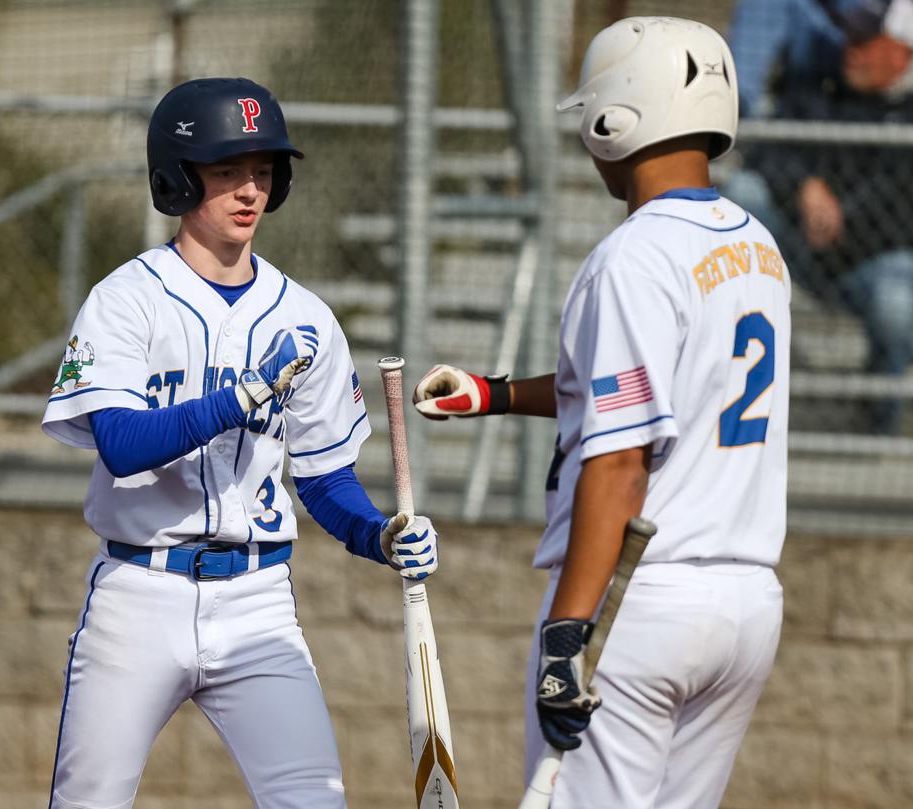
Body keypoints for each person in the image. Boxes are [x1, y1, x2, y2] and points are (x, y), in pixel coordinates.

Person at [413, 18, 790, 808]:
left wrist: (567, 632)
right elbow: (655, 390)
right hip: (745, 607)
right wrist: (498, 393)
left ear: (613, 122)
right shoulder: (758, 245)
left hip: (641, 602)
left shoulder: (634, 255)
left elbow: (620, 460)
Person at [40, 77, 438, 809]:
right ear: (177, 177)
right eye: (227, 170)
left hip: (258, 600)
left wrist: (379, 533)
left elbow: (323, 481)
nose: (249, 189)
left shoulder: (306, 317)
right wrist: (239, 397)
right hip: (139, 592)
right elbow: (121, 444)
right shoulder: (126, 298)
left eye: (262, 171)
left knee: (314, 801)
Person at [745, 0, 913, 432]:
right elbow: (765, 152)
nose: (851, 49)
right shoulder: (822, 84)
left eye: (865, 41)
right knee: (743, 193)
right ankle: (740, 385)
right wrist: (803, 185)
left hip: (883, 264)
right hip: (803, 249)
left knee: (896, 298)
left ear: (902, 50)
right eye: (851, 37)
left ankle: (876, 421)